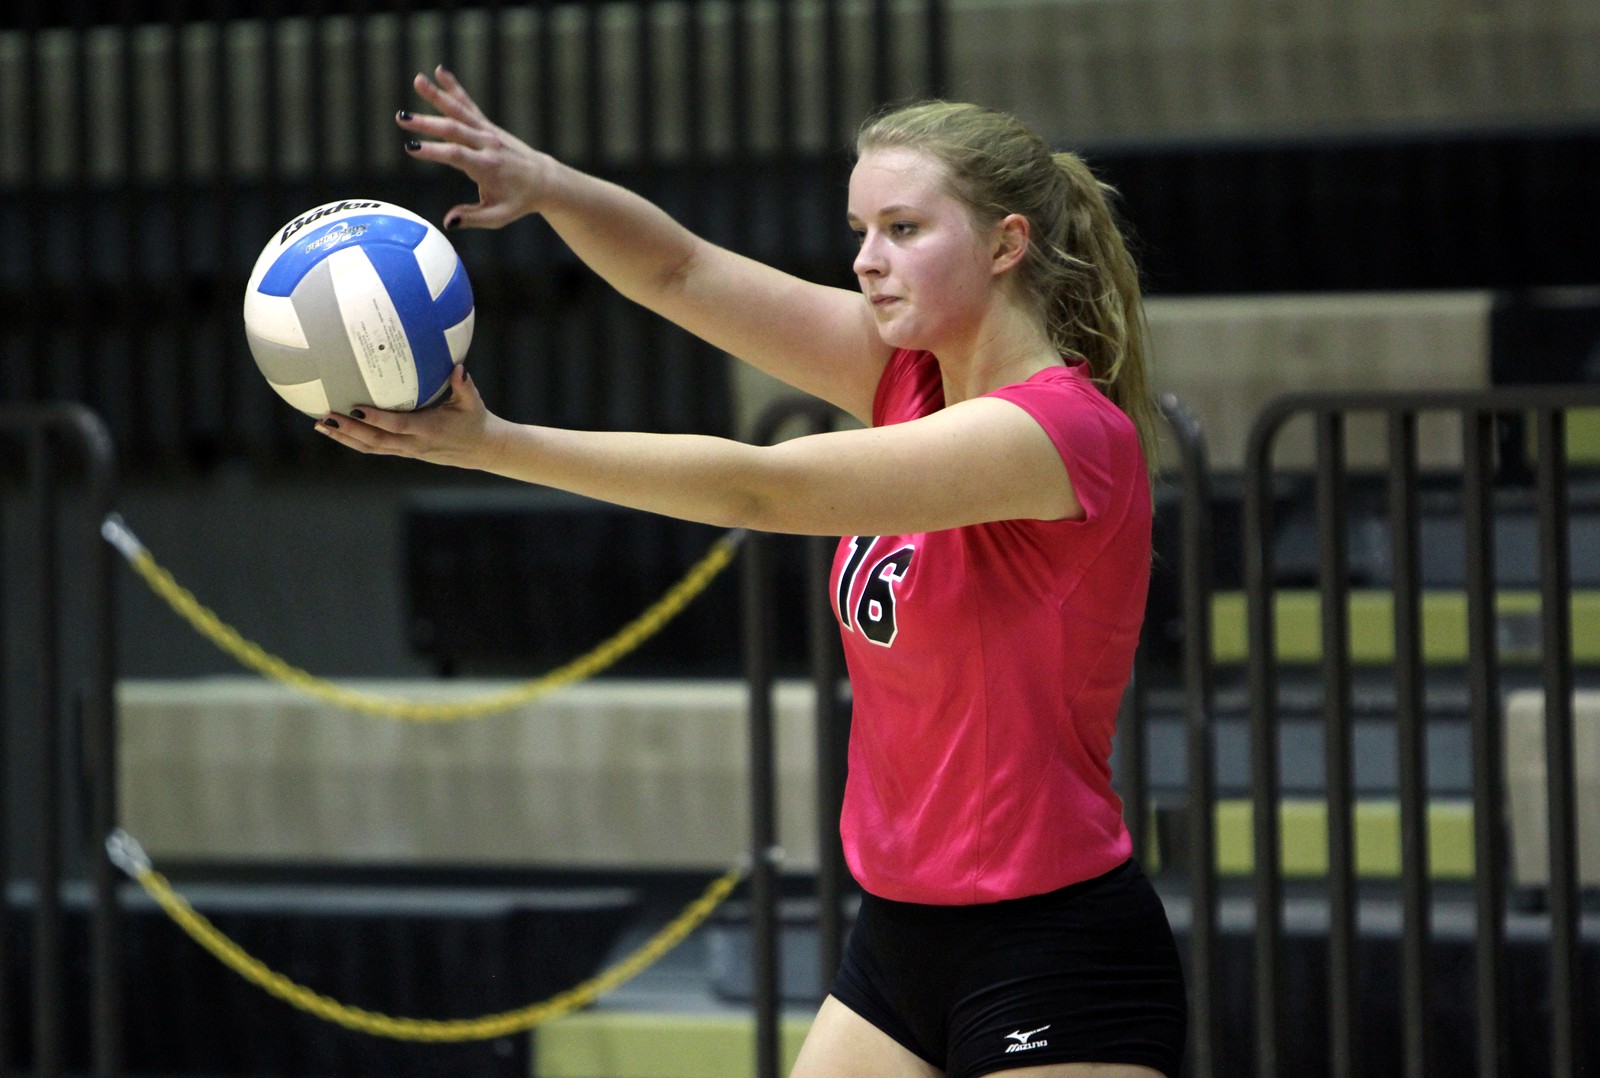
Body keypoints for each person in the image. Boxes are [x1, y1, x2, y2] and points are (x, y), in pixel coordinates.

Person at [319, 65, 1187, 1078]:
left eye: (902, 230)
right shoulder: (910, 377)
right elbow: (680, 273)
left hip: (1052, 947)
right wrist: (549, 183)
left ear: (1006, 243)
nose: (866, 261)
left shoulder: (1061, 431)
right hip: (902, 937)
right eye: (859, 230)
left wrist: (492, 444)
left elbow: (758, 490)